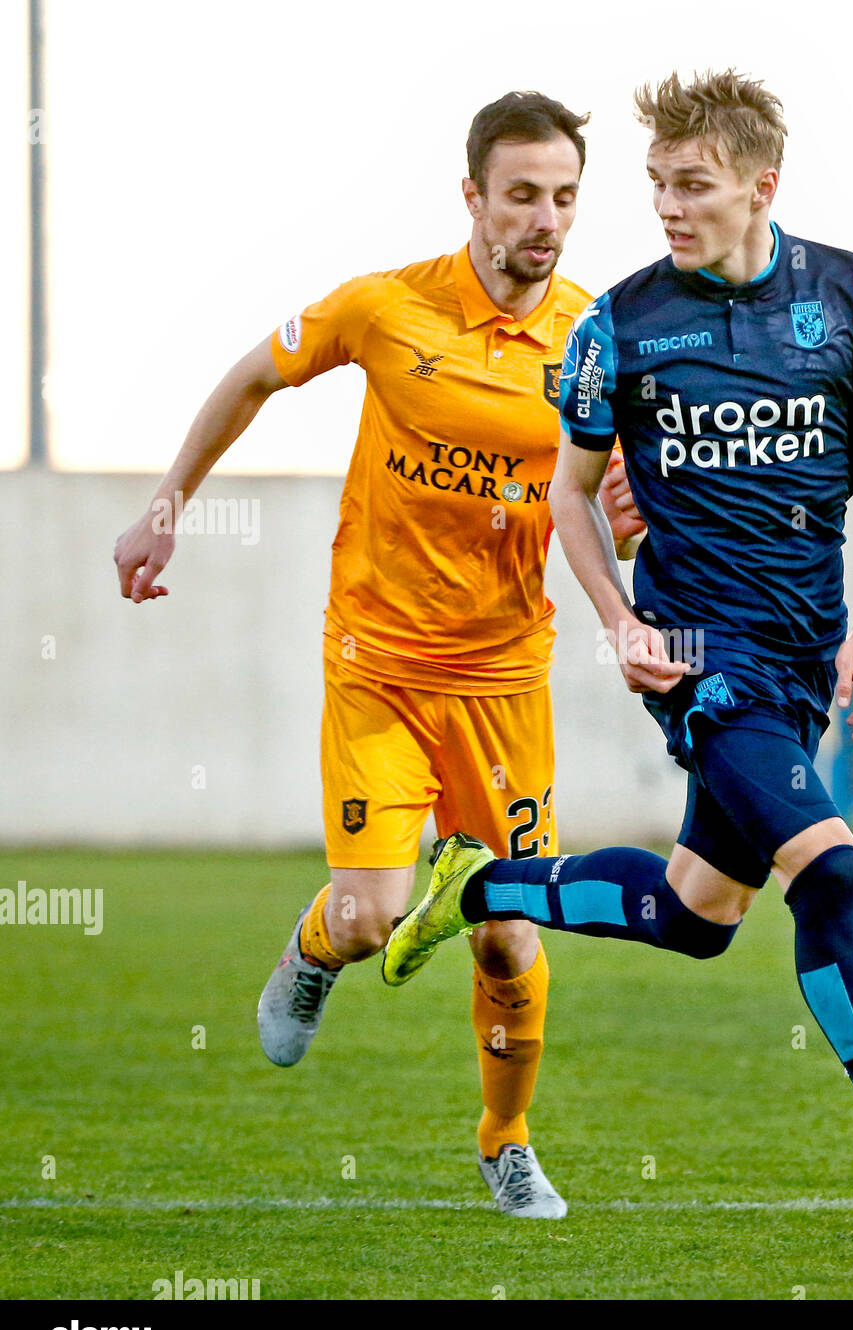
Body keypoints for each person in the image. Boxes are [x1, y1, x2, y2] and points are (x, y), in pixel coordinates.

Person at [384, 69, 853, 1193]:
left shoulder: (852, 300)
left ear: (761, 186)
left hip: (800, 659)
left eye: (691, 184)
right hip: (697, 657)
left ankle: (483, 886)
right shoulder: (620, 325)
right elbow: (568, 496)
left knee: (697, 914)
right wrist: (622, 620)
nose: (667, 206)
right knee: (828, 877)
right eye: (655, 185)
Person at [113, 91, 629, 1219]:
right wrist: (167, 502)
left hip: (505, 684)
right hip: (381, 670)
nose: (545, 219)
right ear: (473, 198)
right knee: (369, 921)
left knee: (507, 937)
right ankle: (311, 948)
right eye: (523, 194)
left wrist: (634, 531)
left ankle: (506, 1140)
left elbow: (610, 502)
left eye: (564, 197)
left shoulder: (598, 342)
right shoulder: (386, 310)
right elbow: (254, 374)